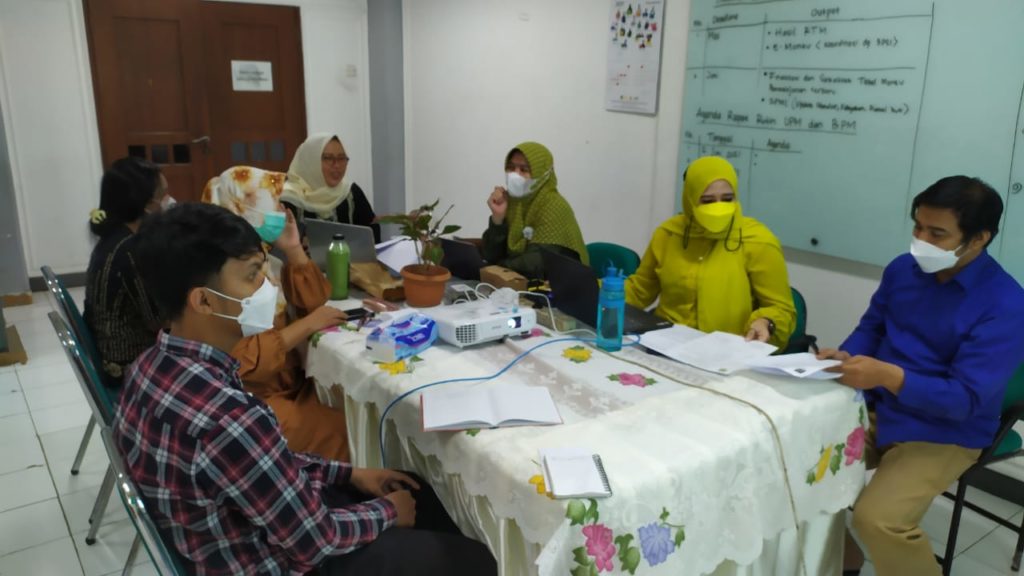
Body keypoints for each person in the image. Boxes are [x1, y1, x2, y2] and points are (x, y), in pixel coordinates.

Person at [121, 202, 496, 575]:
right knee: (474, 559)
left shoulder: (147, 369)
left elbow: (266, 467)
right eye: (252, 276)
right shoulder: (230, 416)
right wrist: (387, 512)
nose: (266, 288)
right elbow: (316, 539)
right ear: (203, 300)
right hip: (272, 560)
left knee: (416, 491)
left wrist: (348, 474)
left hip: (231, 534)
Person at [817, 176, 1024, 576]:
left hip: (947, 431)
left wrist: (890, 376)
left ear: (979, 238)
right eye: (917, 226)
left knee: (878, 519)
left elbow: (965, 399)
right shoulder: (903, 270)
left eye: (937, 233)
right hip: (879, 404)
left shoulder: (1007, 305)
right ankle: (845, 560)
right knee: (797, 466)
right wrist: (847, 356)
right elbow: (872, 327)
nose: (920, 240)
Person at [202, 166, 351, 462]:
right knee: (342, 429)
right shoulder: (220, 278)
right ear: (242, 209)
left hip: (289, 382)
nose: (281, 212)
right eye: (272, 204)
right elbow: (243, 363)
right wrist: (308, 324)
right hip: (252, 397)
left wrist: (294, 248)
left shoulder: (265, 261)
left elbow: (314, 302)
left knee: (352, 404)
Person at [625, 156, 795, 347]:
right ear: (689, 199)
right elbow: (640, 291)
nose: (718, 207)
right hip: (666, 345)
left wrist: (766, 322)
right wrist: (595, 290)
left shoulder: (757, 240)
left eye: (727, 199)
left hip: (728, 351)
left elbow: (782, 309)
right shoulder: (669, 235)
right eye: (707, 200)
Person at [84, 157, 170, 385]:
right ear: (149, 205)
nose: (169, 202)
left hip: (109, 353)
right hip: (127, 367)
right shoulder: (129, 251)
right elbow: (159, 321)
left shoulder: (113, 239)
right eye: (164, 195)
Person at [482, 141, 588, 279]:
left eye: (524, 170)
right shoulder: (513, 202)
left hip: (564, 286)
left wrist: (497, 266)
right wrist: (498, 219)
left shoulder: (554, 205)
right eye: (511, 167)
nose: (515, 174)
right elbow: (490, 254)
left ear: (543, 174)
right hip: (518, 283)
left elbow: (536, 262)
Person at [281, 132, 381, 242]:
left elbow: (373, 235)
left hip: (351, 259)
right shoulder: (288, 198)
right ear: (309, 161)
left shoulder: (350, 192)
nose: (337, 165)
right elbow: (278, 247)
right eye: (328, 158)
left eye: (341, 158)